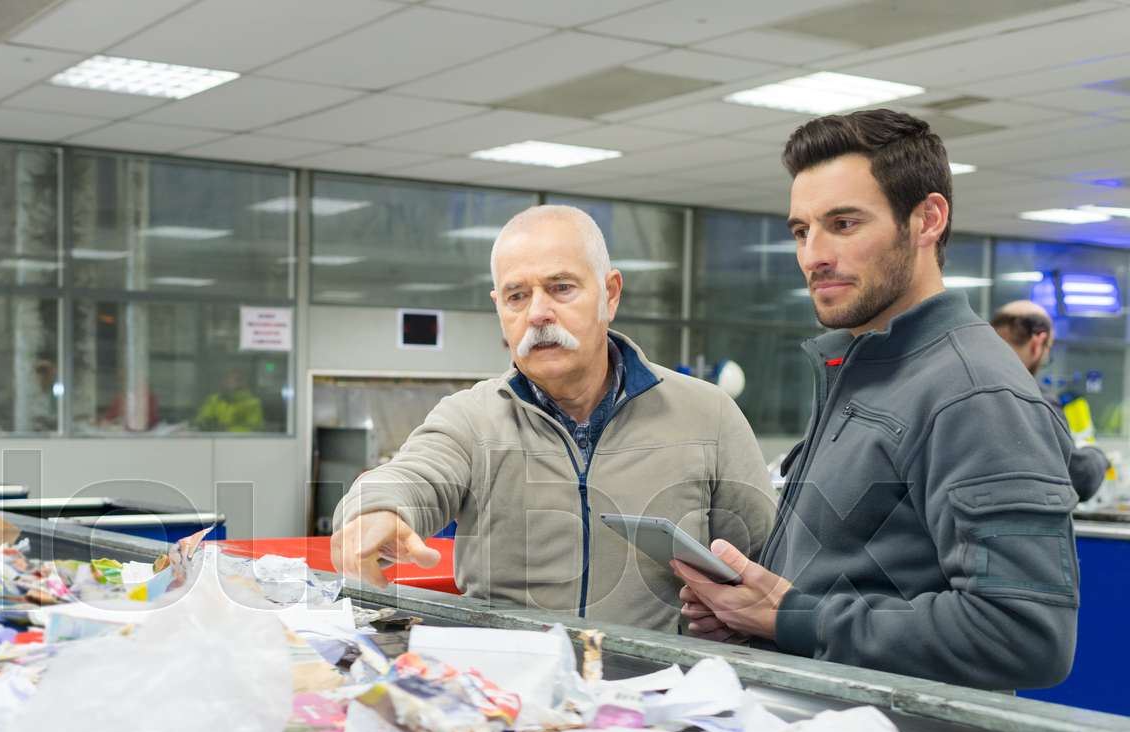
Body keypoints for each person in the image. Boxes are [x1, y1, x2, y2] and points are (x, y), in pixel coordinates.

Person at [676, 109, 1078, 690]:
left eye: (843, 224)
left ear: (926, 220)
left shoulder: (974, 393)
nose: (812, 255)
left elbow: (1025, 634)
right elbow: (858, 578)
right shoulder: (864, 369)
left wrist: (788, 616)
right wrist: (751, 615)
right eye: (801, 230)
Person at [329, 204, 774, 629]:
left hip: (658, 694)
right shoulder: (470, 418)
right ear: (499, 309)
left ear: (610, 293)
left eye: (561, 287)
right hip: (510, 692)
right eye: (516, 296)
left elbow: (770, 564)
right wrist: (371, 512)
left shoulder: (707, 415)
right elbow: (411, 476)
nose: (538, 313)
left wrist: (733, 623)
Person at [990, 299, 1109, 501]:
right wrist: (1098, 455)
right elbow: (1079, 478)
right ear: (1038, 342)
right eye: (1049, 349)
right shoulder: (1034, 398)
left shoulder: (959, 383)